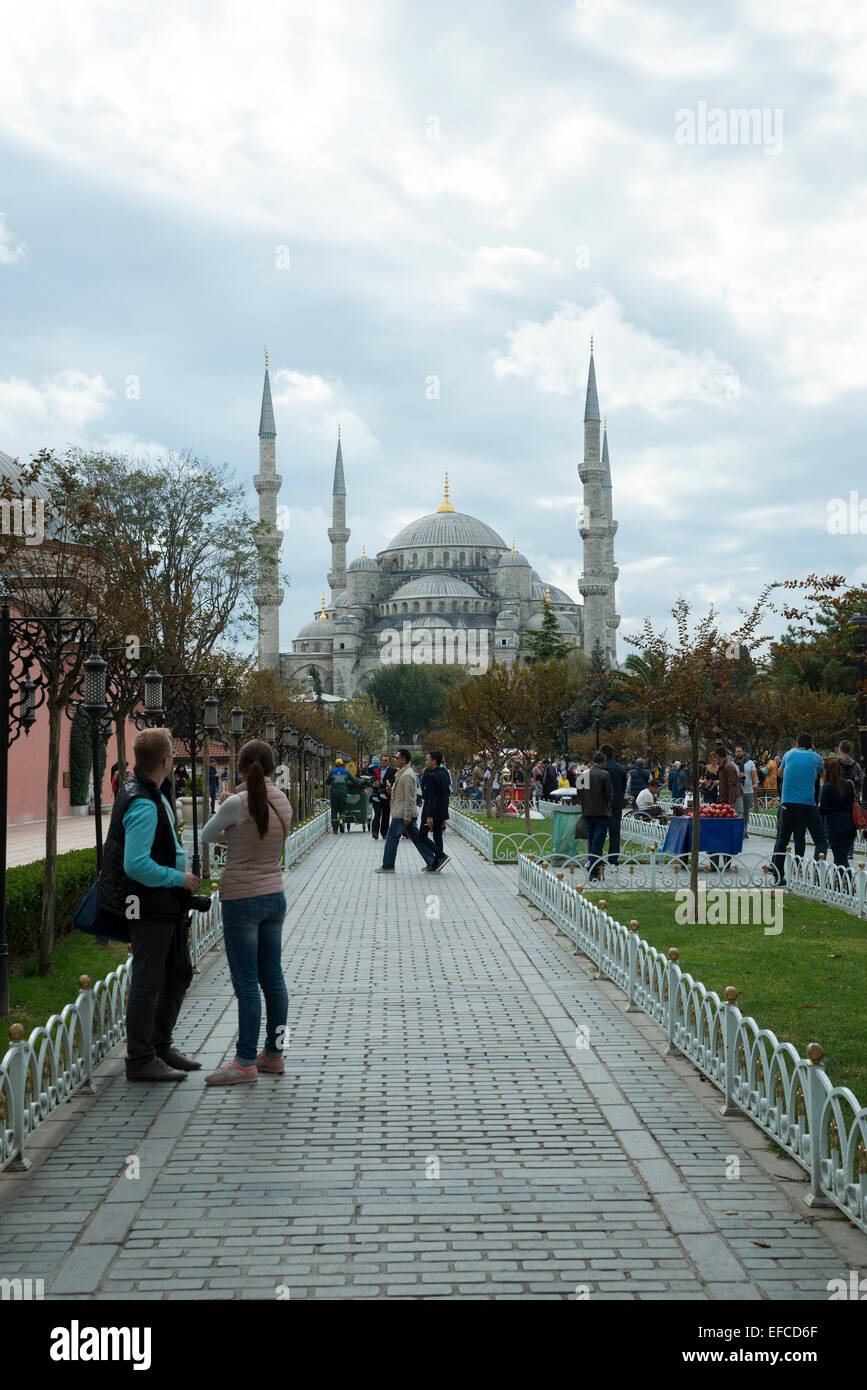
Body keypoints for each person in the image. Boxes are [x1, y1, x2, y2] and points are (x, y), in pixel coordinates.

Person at [98, 728, 200, 1082]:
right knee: (148, 979)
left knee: (177, 973)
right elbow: (136, 864)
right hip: (147, 903)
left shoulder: (148, 790)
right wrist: (179, 878)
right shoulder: (142, 800)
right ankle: (140, 1058)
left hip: (162, 903)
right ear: (166, 761)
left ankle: (160, 1045)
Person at [200, 739, 292, 1085]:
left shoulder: (236, 803)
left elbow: (209, 835)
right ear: (271, 767)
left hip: (241, 897)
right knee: (274, 978)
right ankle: (274, 1053)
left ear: (240, 767)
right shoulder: (283, 801)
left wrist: (227, 812)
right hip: (274, 895)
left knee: (246, 983)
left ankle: (243, 1061)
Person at [375, 748, 448, 874]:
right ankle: (433, 860)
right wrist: (390, 791)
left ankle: (388, 865)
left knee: (392, 838)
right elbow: (401, 794)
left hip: (403, 813)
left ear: (403, 760)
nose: (395, 760)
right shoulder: (402, 773)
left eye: (397, 758)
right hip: (403, 812)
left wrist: (407, 816)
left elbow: (410, 798)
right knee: (417, 838)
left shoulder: (407, 775)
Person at [771, 733, 828, 885]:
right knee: (820, 840)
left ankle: (778, 876)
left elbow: (780, 773)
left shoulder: (788, 754)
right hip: (807, 804)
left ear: (796, 744)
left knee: (782, 840)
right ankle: (817, 872)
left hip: (788, 803)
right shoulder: (815, 758)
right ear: (811, 745)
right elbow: (826, 774)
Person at [578, 750, 612, 881]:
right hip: (601, 812)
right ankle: (594, 869)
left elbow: (580, 794)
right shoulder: (604, 775)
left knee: (592, 840)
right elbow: (608, 795)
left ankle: (593, 867)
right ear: (602, 762)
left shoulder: (583, 775)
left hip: (588, 812)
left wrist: (587, 803)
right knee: (598, 842)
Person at [820, 756, 856, 867]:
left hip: (835, 827)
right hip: (849, 826)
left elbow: (823, 809)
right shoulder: (849, 785)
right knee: (840, 858)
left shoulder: (827, 788)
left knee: (841, 860)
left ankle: (848, 881)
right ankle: (839, 882)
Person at [419, 749, 451, 863]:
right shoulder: (444, 774)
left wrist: (430, 815)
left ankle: (440, 855)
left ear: (434, 761)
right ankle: (437, 862)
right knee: (437, 837)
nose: (426, 762)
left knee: (422, 836)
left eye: (427, 760)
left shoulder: (433, 776)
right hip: (441, 811)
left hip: (431, 811)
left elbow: (432, 797)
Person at [599, 744, 627, 864]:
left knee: (600, 832)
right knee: (615, 833)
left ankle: (597, 858)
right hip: (616, 803)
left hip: (602, 803)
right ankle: (613, 858)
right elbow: (623, 787)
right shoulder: (620, 768)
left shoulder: (600, 768)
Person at [325, 757, 364, 834]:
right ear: (342, 764)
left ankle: (335, 830)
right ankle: (341, 820)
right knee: (343, 809)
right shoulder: (346, 772)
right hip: (343, 793)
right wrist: (362, 781)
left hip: (334, 793)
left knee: (334, 811)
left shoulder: (332, 772)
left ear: (335, 765)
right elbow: (355, 780)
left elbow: (327, 782)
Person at [733, 745, 758, 837]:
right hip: (738, 790)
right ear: (735, 753)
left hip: (748, 790)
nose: (739, 753)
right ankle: (739, 830)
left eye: (740, 751)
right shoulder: (732, 764)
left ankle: (745, 830)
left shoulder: (750, 763)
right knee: (739, 811)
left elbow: (754, 775)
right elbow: (730, 777)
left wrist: (755, 783)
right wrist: (736, 776)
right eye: (737, 751)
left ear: (743, 752)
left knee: (746, 811)